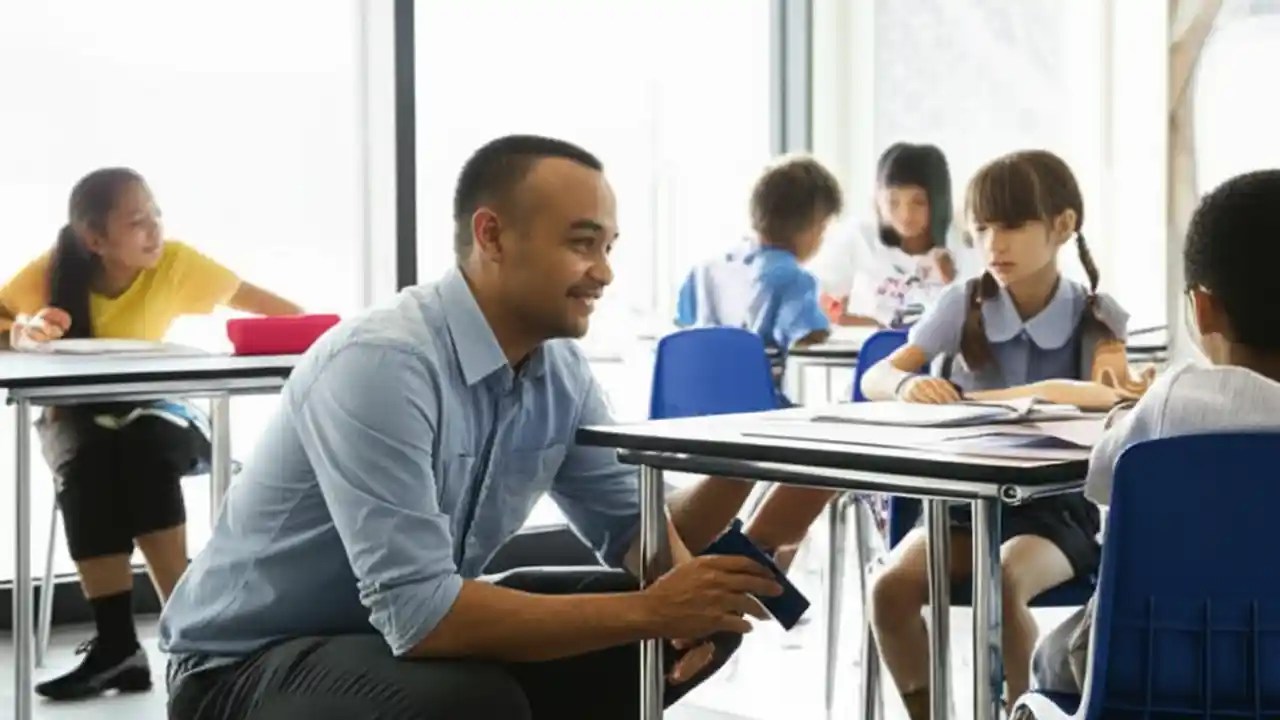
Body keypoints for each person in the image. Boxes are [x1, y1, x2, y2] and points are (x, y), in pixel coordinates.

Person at [159, 135, 778, 720]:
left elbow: (635, 534)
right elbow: (423, 615)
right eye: (582, 244)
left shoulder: (556, 366)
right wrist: (650, 609)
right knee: (468, 701)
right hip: (242, 666)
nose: (604, 273)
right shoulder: (382, 361)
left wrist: (687, 599)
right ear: (493, 236)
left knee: (704, 614)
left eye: (609, 248)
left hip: (390, 639)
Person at [737, 149, 1153, 717]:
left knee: (1002, 584)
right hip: (960, 509)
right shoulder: (966, 301)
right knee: (890, 591)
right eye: (980, 228)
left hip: (1053, 517)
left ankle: (1018, 714)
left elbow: (1110, 390)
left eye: (1010, 226)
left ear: (1062, 226)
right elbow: (881, 374)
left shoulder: (1096, 312)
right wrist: (907, 387)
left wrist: (1111, 386)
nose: (992, 244)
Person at [0, 167, 302, 700]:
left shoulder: (179, 264)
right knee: (91, 460)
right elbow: (4, 319)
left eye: (155, 214)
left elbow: (286, 315)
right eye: (137, 221)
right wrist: (21, 331)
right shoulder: (53, 271)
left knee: (138, 450)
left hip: (165, 416)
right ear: (94, 239)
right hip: (76, 420)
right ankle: (121, 648)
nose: (154, 229)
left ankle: (186, 629)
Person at [1024, 169, 1280, 706]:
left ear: (1201, 308)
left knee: (1051, 655)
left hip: (1155, 677)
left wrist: (1124, 416)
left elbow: (1103, 479)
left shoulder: (1172, 401)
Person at [675, 154, 843, 351]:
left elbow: (681, 332)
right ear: (814, 225)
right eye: (823, 228)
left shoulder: (703, 271)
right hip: (760, 382)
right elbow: (807, 340)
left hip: (699, 381)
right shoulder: (795, 281)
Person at [813, 142, 976, 328]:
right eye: (893, 202)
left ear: (939, 201)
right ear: (878, 200)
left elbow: (975, 319)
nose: (905, 215)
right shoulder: (858, 238)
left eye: (919, 202)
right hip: (870, 350)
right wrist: (849, 319)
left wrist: (952, 281)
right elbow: (820, 302)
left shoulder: (962, 243)